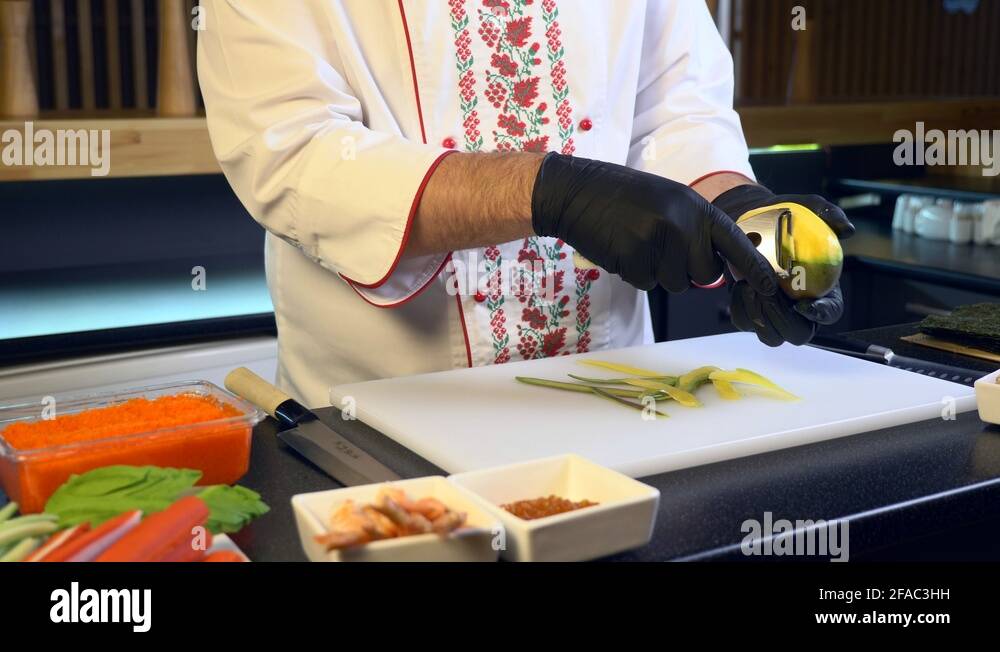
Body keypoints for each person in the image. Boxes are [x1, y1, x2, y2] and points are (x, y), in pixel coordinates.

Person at [198, 0, 853, 407]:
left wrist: (741, 212)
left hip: (620, 405)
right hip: (381, 421)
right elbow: (290, 151)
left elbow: (677, 109)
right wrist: (547, 192)